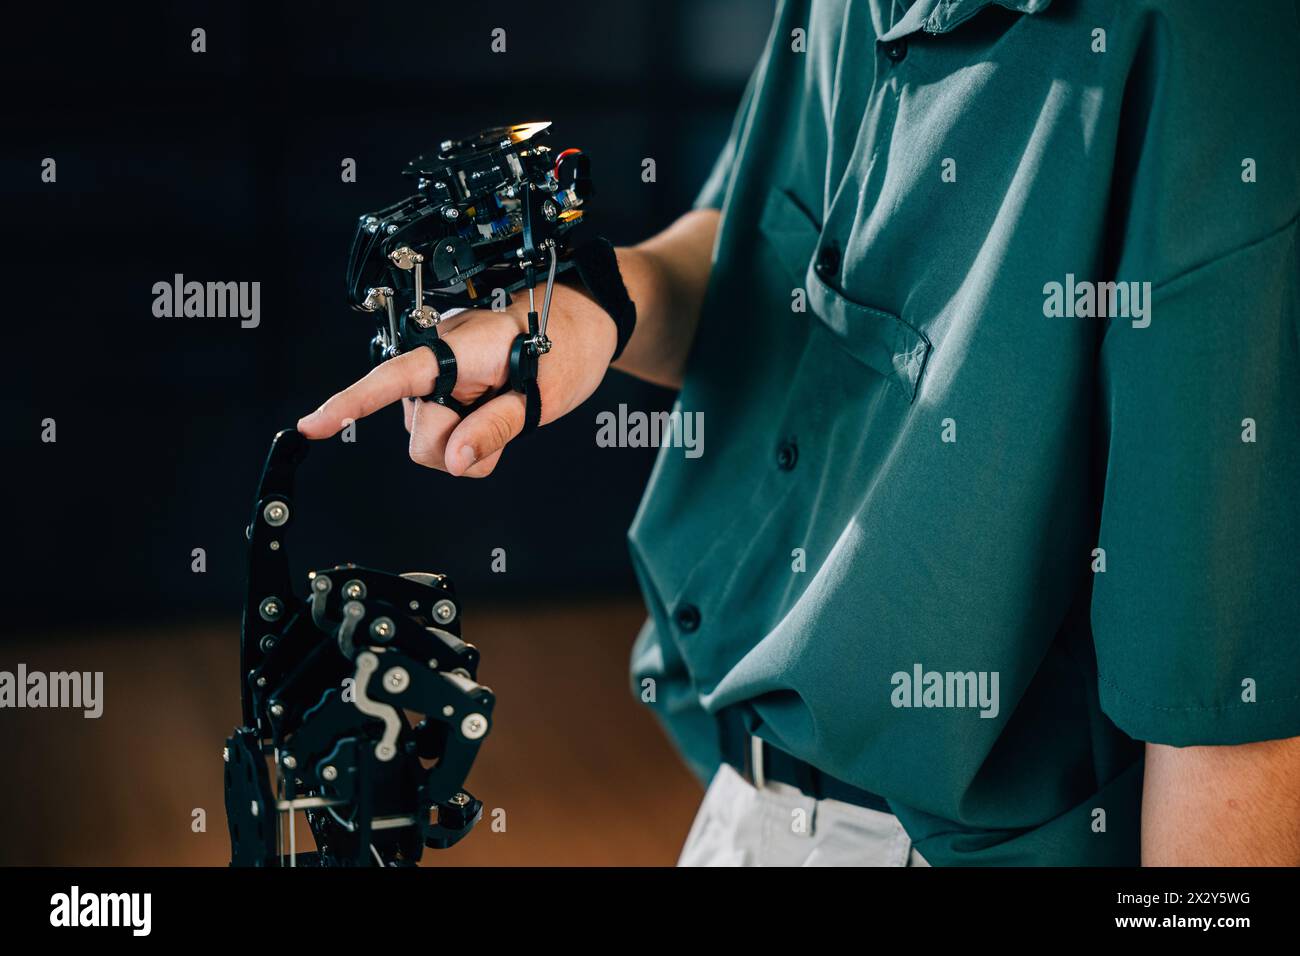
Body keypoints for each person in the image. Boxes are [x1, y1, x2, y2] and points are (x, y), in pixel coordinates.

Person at [298, 0, 1300, 865]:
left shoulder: (1210, 43)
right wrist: (597, 303)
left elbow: (1231, 721)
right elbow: (764, 247)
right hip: (748, 801)